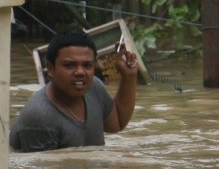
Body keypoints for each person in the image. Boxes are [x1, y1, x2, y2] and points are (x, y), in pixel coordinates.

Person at [10, 30, 140, 152]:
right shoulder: (40, 118)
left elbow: (117, 123)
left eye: (87, 65)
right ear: (50, 69)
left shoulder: (94, 87)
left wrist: (128, 77)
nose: (80, 72)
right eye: (69, 65)